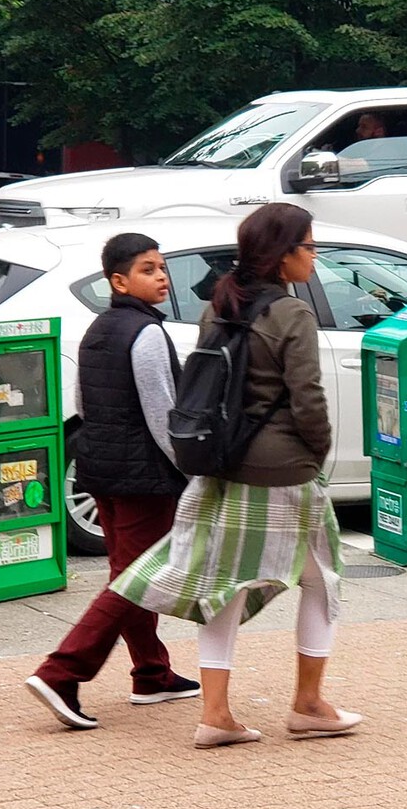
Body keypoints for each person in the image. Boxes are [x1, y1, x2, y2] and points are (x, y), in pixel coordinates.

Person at [110, 202, 360, 749]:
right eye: (310, 247)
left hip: (222, 463)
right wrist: (317, 453)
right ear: (284, 253)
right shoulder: (292, 314)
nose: (315, 257)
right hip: (284, 468)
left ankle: (216, 713)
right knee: (321, 579)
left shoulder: (219, 306)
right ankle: (309, 703)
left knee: (221, 587)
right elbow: (308, 400)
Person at [24, 233, 200, 730]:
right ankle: (62, 671)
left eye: (162, 267)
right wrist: (191, 472)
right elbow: (163, 415)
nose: (161, 276)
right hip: (144, 479)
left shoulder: (99, 329)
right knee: (137, 579)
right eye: (148, 269)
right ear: (118, 281)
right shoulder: (146, 334)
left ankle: (151, 674)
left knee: (129, 572)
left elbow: (84, 402)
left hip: (100, 470)